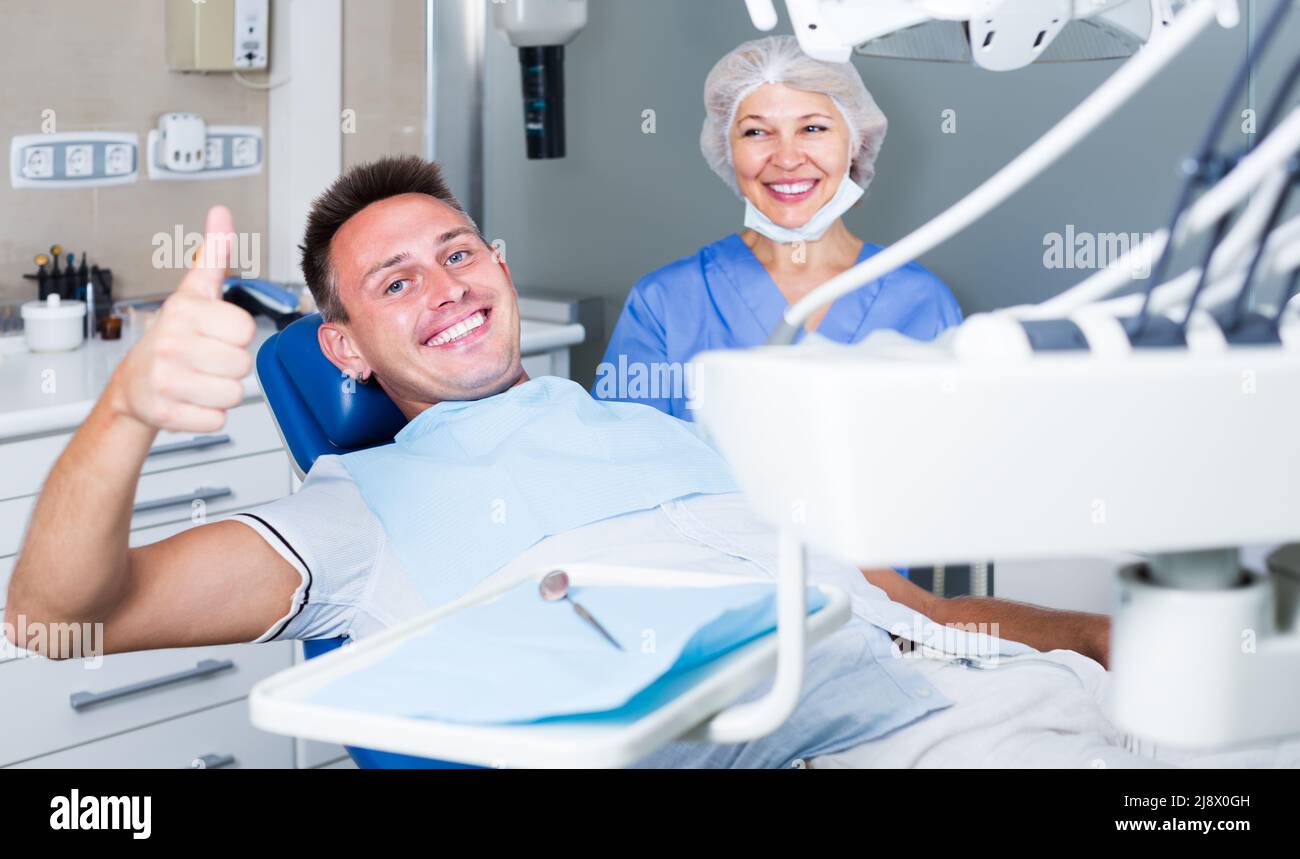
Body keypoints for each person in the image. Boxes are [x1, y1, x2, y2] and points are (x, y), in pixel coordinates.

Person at [8, 156, 1294, 768]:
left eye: (459, 252)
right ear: (342, 347)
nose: (445, 287)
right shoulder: (353, 515)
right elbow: (51, 620)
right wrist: (121, 413)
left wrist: (1117, 638)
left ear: (502, 270)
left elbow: (915, 611)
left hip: (997, 700)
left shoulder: (666, 430)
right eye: (394, 281)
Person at [594, 35, 962, 419]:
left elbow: (955, 456)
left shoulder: (922, 300)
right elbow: (619, 457)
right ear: (726, 147)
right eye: (756, 132)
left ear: (855, 140)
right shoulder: (666, 303)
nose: (786, 159)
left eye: (813, 129)